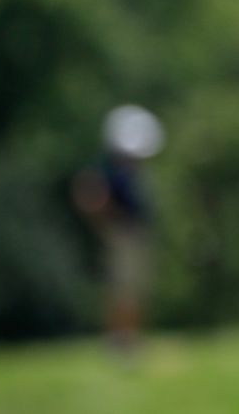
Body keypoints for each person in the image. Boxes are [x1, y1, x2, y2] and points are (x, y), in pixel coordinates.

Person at [72, 104, 164, 356]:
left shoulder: (126, 169)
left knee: (134, 290)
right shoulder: (107, 169)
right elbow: (88, 195)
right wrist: (112, 222)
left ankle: (130, 339)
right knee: (124, 290)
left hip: (133, 234)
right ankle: (121, 342)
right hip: (123, 235)